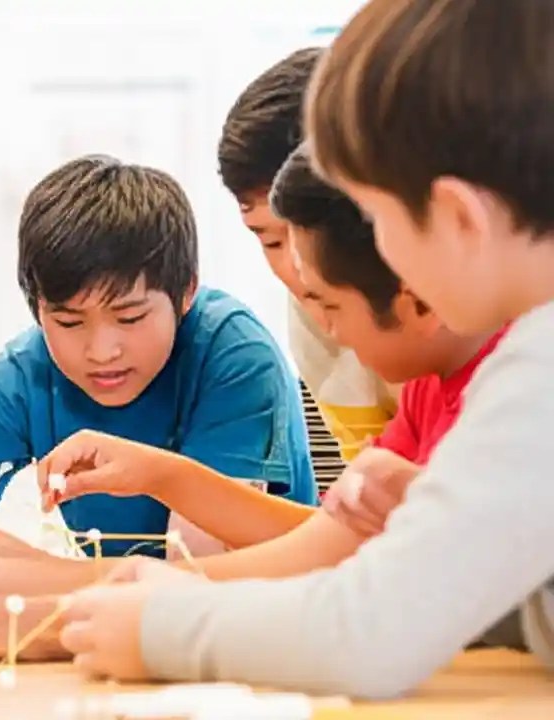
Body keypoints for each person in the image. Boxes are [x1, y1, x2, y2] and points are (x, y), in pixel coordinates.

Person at [58, 0, 554, 698]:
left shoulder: (538, 364)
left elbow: (370, 634)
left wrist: (156, 627)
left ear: (456, 218)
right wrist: (447, 522)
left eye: (375, 219)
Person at [0, 155, 315, 569]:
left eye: (130, 317)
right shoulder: (22, 375)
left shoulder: (234, 355)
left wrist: (45, 576)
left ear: (186, 293)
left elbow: (197, 570)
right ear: (38, 309)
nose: (101, 351)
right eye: (69, 322)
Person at [219, 47, 397, 460]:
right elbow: (369, 489)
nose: (297, 270)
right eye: (270, 241)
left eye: (304, 235)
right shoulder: (312, 317)